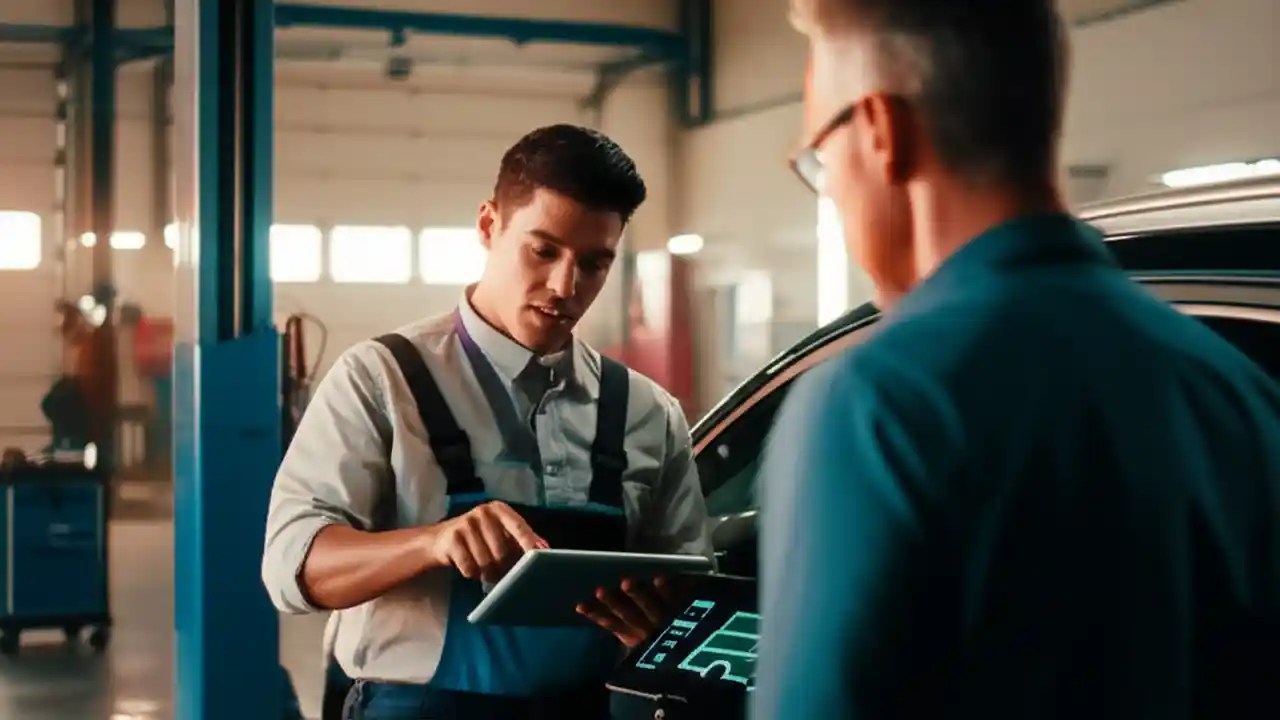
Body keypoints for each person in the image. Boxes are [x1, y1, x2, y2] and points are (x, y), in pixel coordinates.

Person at [753, 1, 1280, 718]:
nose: (833, 190)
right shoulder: (1237, 393)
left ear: (881, 132)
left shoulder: (880, 406)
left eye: (821, 155)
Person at [262, 124, 711, 720]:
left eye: (594, 263)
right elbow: (293, 567)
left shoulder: (648, 413)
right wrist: (430, 542)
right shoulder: (381, 380)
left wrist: (658, 624)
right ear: (488, 226)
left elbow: (694, 593)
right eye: (544, 250)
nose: (565, 287)